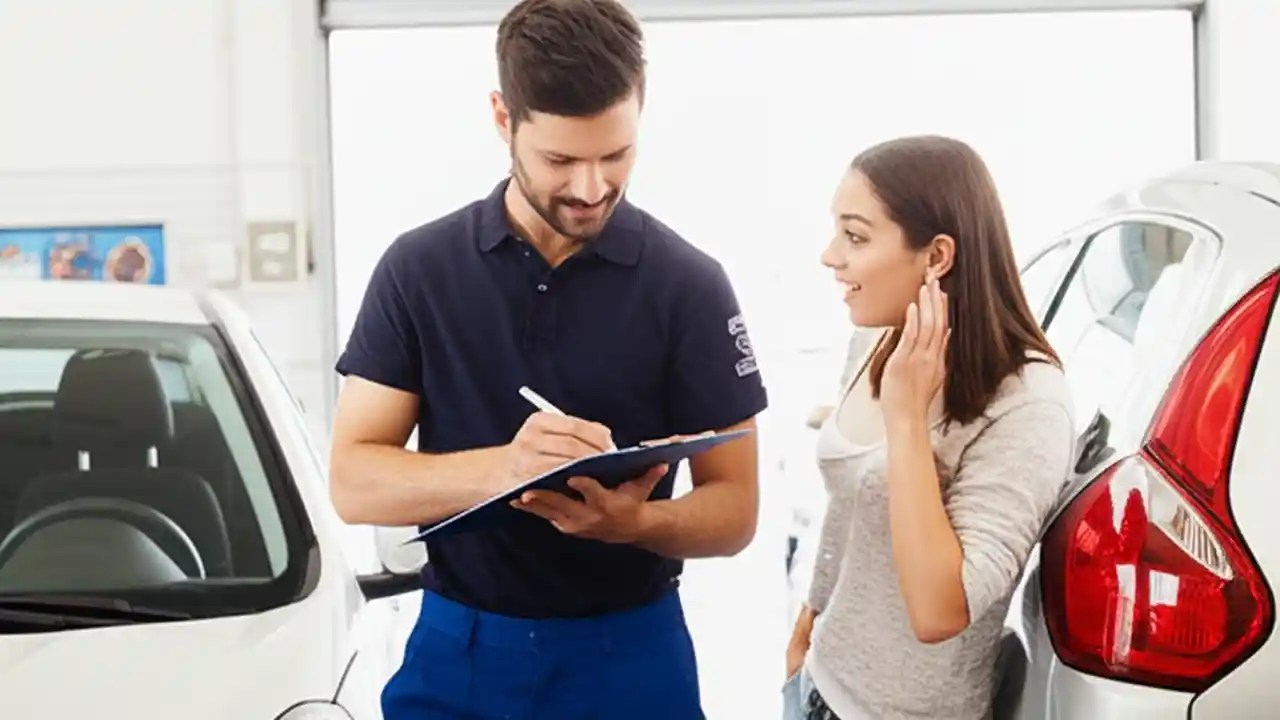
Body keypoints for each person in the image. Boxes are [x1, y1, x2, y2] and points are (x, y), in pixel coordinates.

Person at [328, 1, 768, 718]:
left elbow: (736, 509)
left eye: (615, 156)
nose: (591, 189)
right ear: (503, 119)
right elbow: (353, 483)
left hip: (631, 654)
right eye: (560, 161)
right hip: (462, 649)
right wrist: (506, 468)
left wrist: (636, 524)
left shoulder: (689, 285)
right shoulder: (418, 270)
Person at [783, 135, 1075, 720]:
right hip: (817, 684)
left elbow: (940, 611)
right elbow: (848, 505)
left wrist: (906, 420)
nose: (830, 256)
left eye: (855, 237)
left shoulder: (1029, 404)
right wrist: (808, 623)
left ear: (937, 256)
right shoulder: (876, 337)